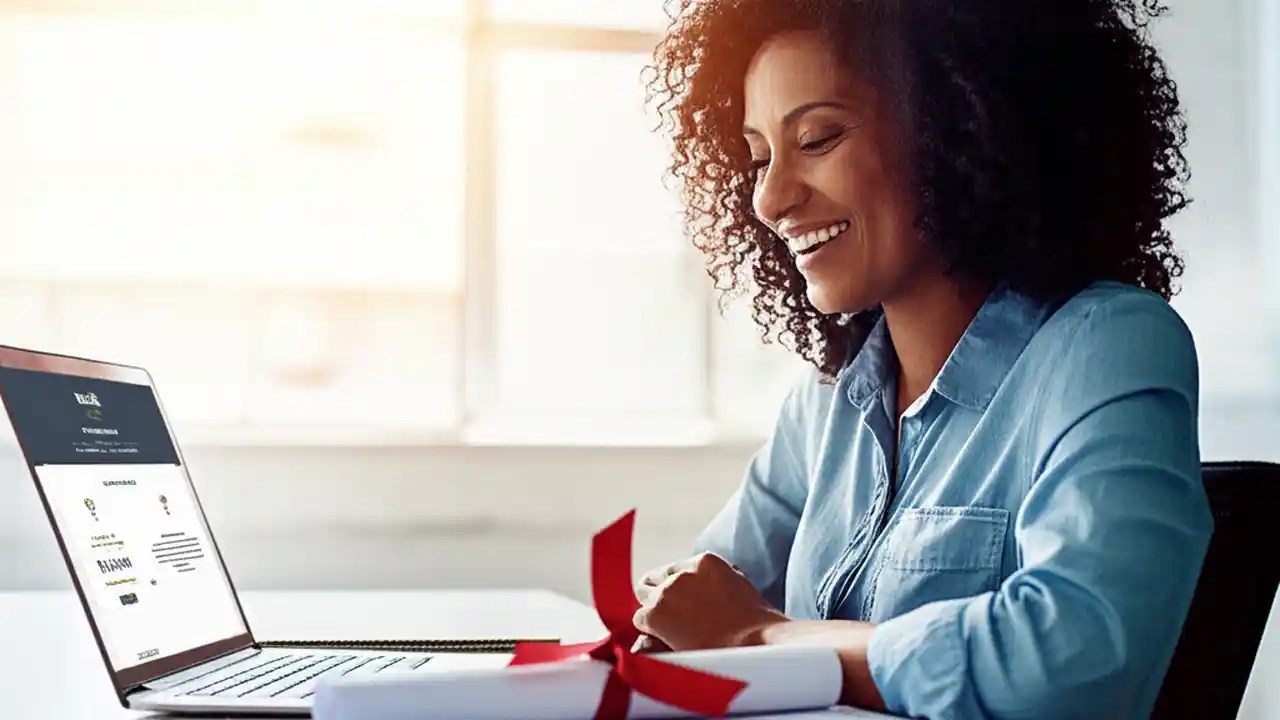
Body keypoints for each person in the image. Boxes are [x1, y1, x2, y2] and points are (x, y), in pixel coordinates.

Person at [631, 1, 1214, 718]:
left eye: (817, 137)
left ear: (960, 124)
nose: (771, 197)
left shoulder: (1109, 344)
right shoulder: (826, 403)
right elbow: (697, 610)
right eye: (757, 158)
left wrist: (764, 635)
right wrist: (707, 623)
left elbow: (1074, 661)